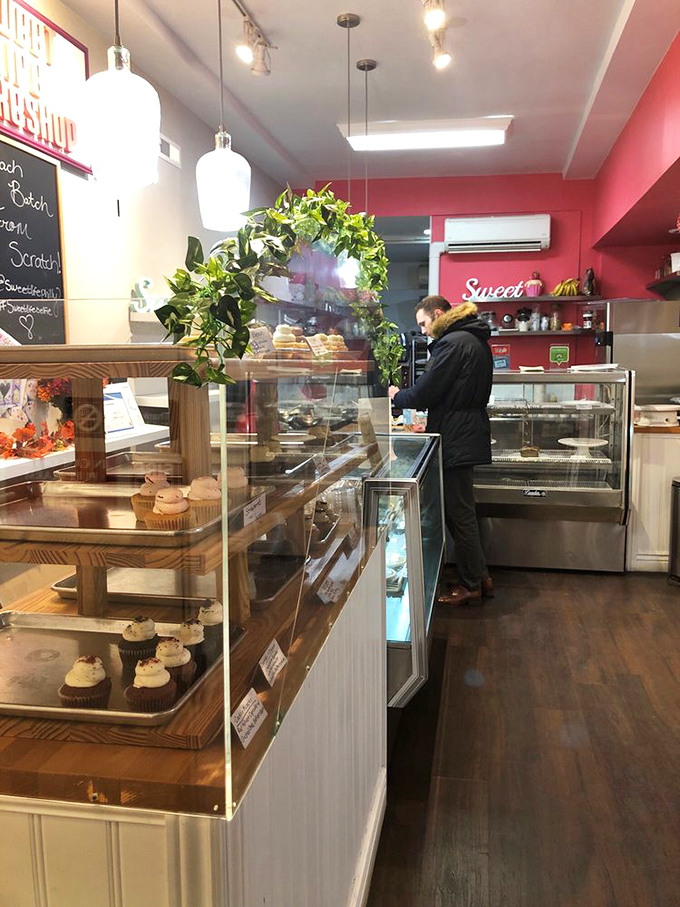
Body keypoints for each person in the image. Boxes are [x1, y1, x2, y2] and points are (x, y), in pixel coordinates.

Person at [389, 294, 493, 605]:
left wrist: (398, 395)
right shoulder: (472, 338)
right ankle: (481, 576)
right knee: (462, 511)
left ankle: (472, 583)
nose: (422, 331)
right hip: (466, 431)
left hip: (456, 436)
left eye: (423, 323)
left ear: (437, 314)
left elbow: (426, 392)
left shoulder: (453, 343)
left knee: (459, 514)